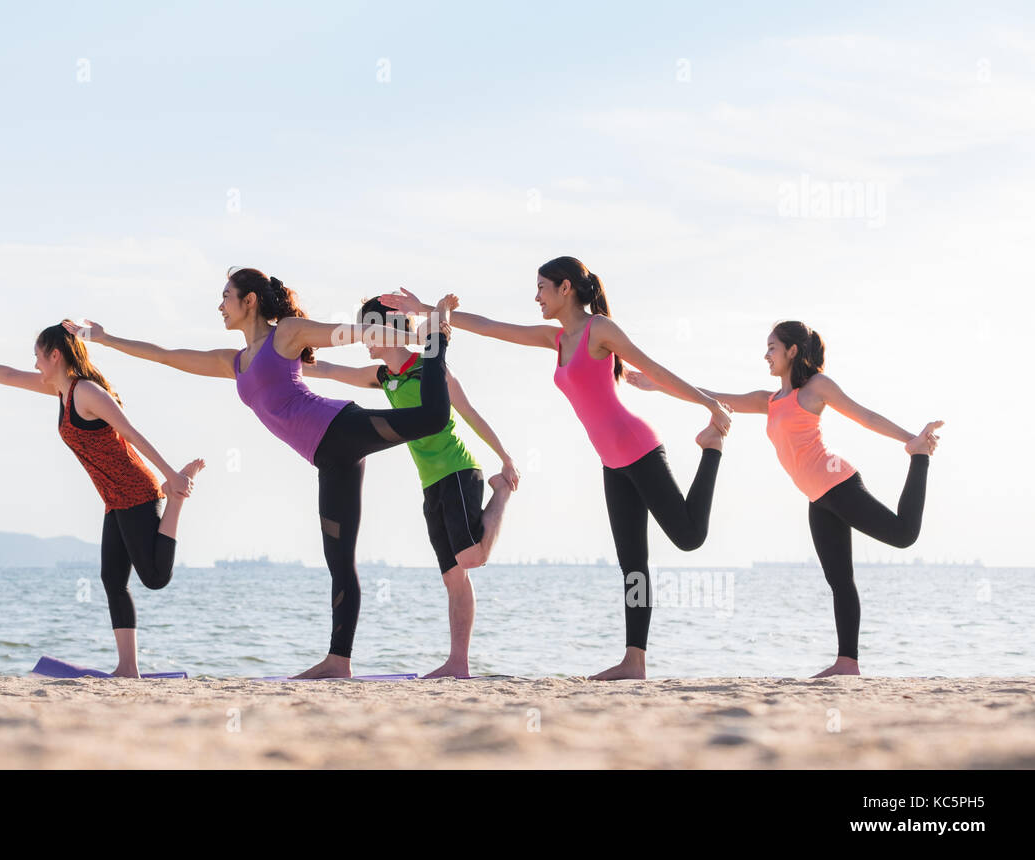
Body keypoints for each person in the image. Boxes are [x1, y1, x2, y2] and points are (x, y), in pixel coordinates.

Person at [65, 270, 458, 679]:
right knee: (339, 560)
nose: (220, 306)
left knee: (432, 416)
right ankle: (338, 662)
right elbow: (166, 354)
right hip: (328, 458)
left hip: (340, 428)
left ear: (249, 300)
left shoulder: (286, 333)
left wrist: (422, 335)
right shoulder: (233, 362)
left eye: (226, 296)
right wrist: (105, 339)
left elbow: (354, 333)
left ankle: (440, 338)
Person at [381, 256, 733, 681]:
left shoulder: (599, 330)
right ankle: (634, 661)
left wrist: (709, 404)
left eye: (542, 288)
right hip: (611, 461)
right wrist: (429, 310)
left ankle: (711, 448)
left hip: (638, 446)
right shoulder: (557, 339)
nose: (536, 297)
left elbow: (653, 367)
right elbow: (492, 327)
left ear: (566, 288)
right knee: (633, 564)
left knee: (689, 537)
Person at [626, 319, 943, 676]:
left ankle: (920, 457)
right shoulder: (769, 400)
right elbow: (713, 397)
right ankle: (847, 663)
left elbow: (865, 416)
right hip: (817, 498)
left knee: (903, 534)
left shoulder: (816, 387)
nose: (766, 355)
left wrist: (911, 440)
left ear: (792, 351)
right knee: (839, 580)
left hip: (838, 483)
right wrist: (657, 384)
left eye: (772, 348)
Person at [0, 323, 204, 678]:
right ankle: (128, 667)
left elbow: (130, 432)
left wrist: (171, 474)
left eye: (38, 356)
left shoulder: (87, 393)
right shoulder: (61, 391)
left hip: (133, 489)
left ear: (55, 355)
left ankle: (175, 499)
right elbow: (6, 375)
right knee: (112, 580)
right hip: (112, 497)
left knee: (155, 578)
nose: (34, 364)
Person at [303, 295, 520, 678]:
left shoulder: (430, 368)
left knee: (471, 558)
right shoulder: (383, 376)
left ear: (387, 329)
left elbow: (469, 412)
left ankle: (499, 492)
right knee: (454, 577)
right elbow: (330, 370)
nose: (363, 338)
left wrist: (505, 458)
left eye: (367, 330)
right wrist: (284, 358)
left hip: (458, 470)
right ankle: (458, 663)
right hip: (430, 483)